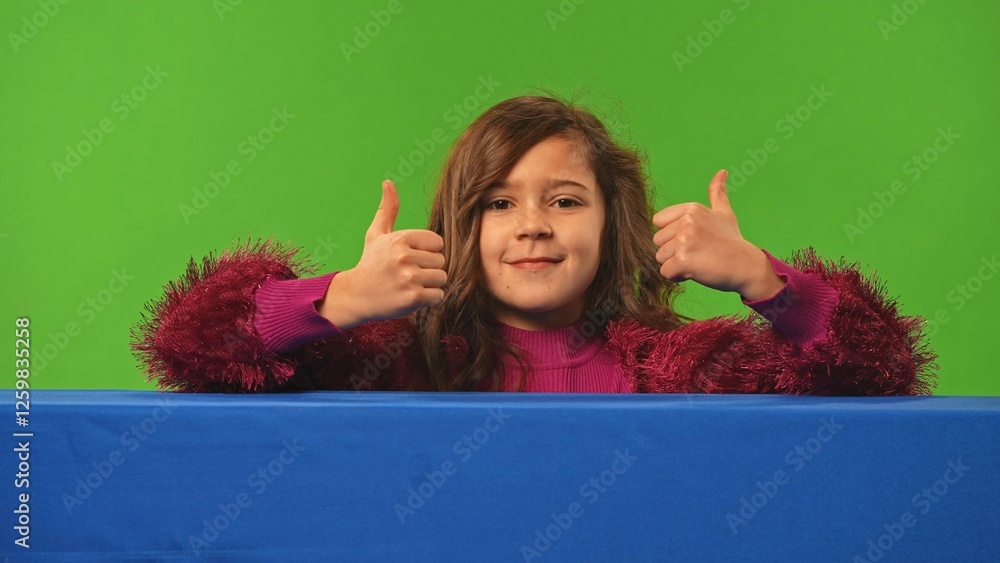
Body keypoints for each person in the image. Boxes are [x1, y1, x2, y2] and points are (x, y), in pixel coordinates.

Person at [131, 95, 936, 395]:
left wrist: (768, 282)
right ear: (460, 229)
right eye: (497, 203)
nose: (533, 225)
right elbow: (189, 344)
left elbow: (882, 371)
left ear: (612, 223)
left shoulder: (683, 370)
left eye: (564, 199)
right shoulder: (399, 360)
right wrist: (339, 298)